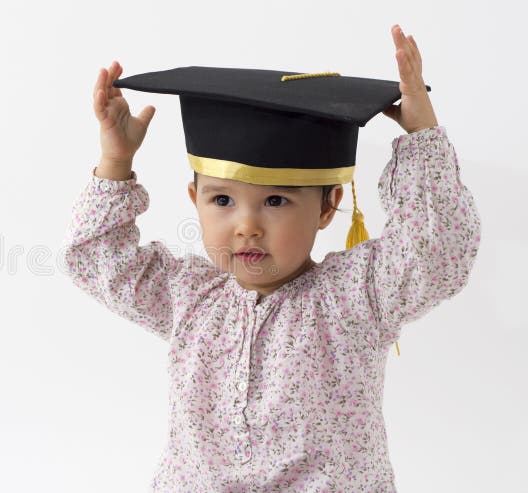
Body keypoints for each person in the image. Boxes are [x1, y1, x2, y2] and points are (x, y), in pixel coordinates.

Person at [62, 24, 480, 492]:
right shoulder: (190, 298)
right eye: (222, 201)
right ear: (193, 199)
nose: (246, 226)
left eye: (276, 201)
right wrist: (115, 161)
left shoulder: (357, 297)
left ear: (327, 207)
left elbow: (438, 250)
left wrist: (422, 136)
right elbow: (97, 259)